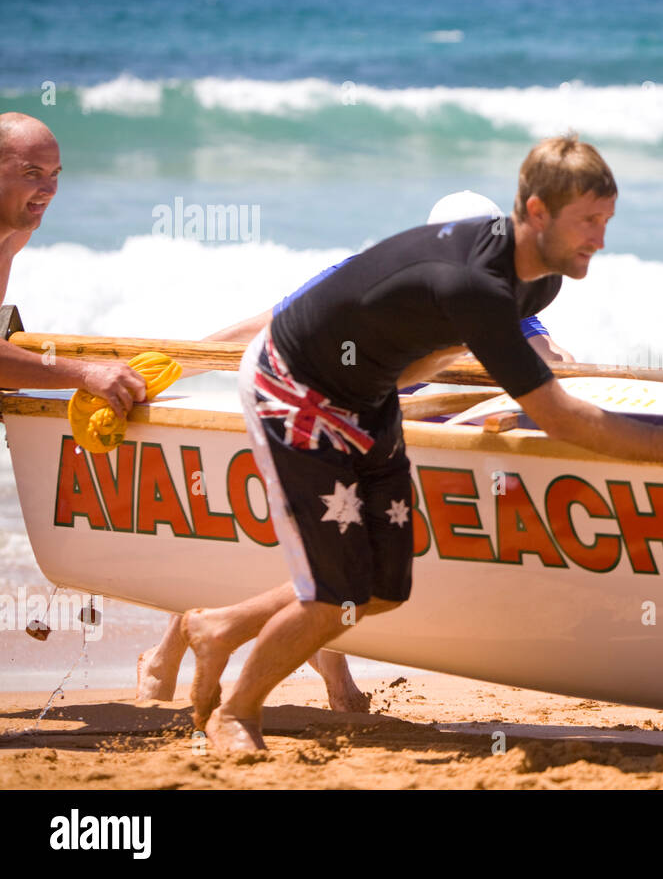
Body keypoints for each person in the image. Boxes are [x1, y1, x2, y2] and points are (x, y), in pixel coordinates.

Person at [191, 135, 663, 752]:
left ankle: (219, 627)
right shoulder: (471, 283)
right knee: (338, 592)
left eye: (607, 220)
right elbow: (562, 418)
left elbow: (489, 359)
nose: (600, 238)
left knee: (384, 590)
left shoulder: (540, 281)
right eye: (588, 222)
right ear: (537, 212)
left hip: (370, 392)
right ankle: (237, 714)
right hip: (294, 387)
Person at [138, 190, 570, 710]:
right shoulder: (374, 278)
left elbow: (549, 357)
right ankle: (193, 660)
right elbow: (265, 328)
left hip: (388, 428)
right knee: (322, 545)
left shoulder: (498, 289)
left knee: (349, 557)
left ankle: (292, 676)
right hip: (315, 407)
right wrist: (166, 370)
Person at [0, 113, 145, 409]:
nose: (50, 190)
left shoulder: (14, 236)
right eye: (32, 173)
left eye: (54, 174)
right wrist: (85, 374)